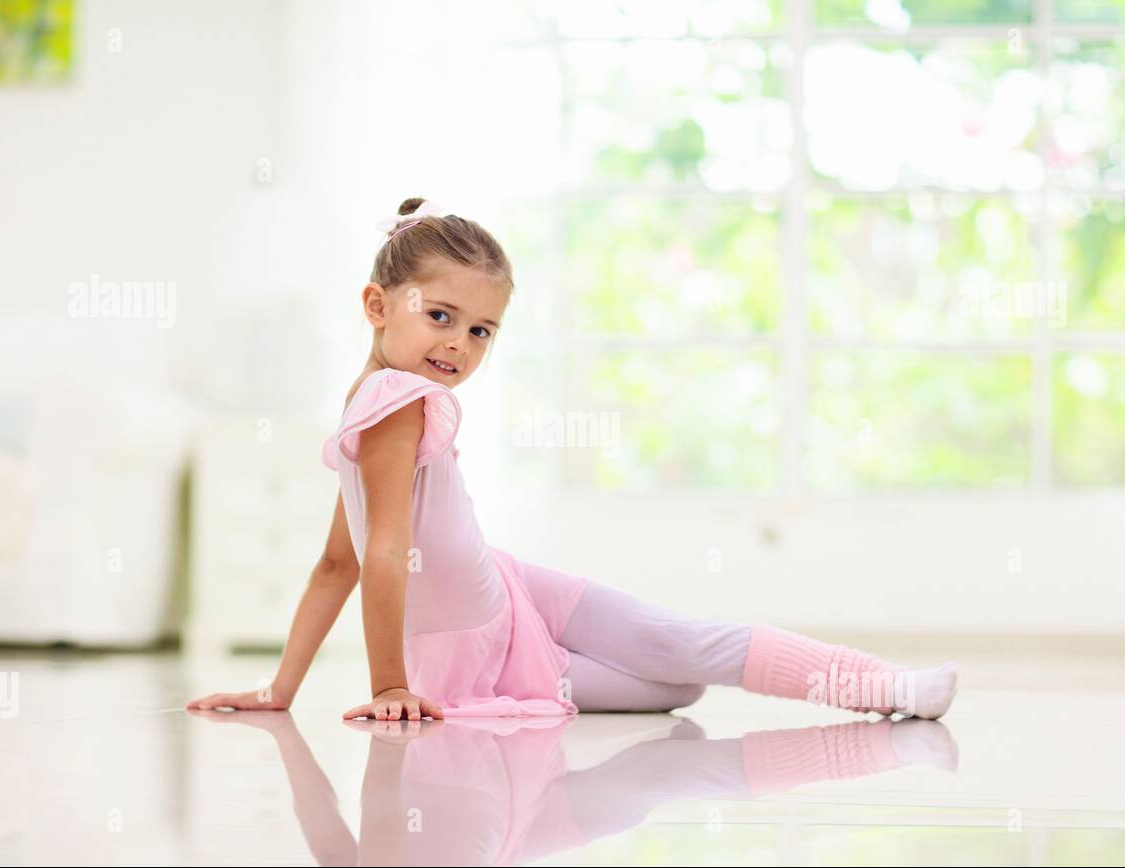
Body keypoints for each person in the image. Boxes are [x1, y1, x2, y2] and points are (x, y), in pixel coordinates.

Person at [188, 198, 959, 721]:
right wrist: (389, 683)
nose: (459, 343)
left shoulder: (375, 395)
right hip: (478, 652)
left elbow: (337, 560)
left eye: (482, 330)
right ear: (377, 305)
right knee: (677, 682)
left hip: (514, 588)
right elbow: (376, 553)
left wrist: (281, 689)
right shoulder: (393, 399)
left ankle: (888, 686)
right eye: (442, 316)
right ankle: (885, 685)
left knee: (683, 653)